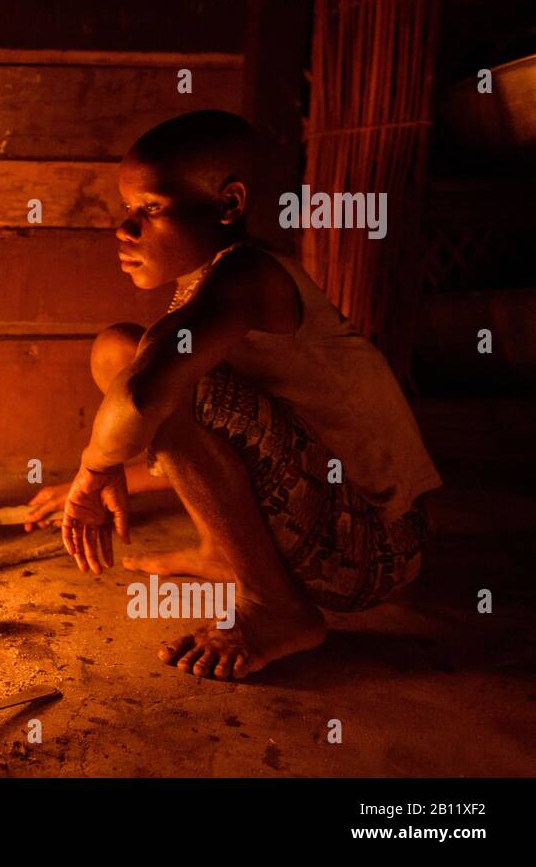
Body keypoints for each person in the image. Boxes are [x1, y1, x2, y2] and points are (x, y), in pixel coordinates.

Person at [23, 110, 441, 680]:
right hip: (337, 517)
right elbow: (221, 453)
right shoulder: (210, 287)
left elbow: (146, 401)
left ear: (227, 205)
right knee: (121, 350)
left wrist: (93, 472)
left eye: (150, 209)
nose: (125, 230)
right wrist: (109, 474)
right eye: (127, 210)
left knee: (161, 380)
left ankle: (276, 610)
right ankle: (223, 554)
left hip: (375, 550)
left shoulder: (247, 277)